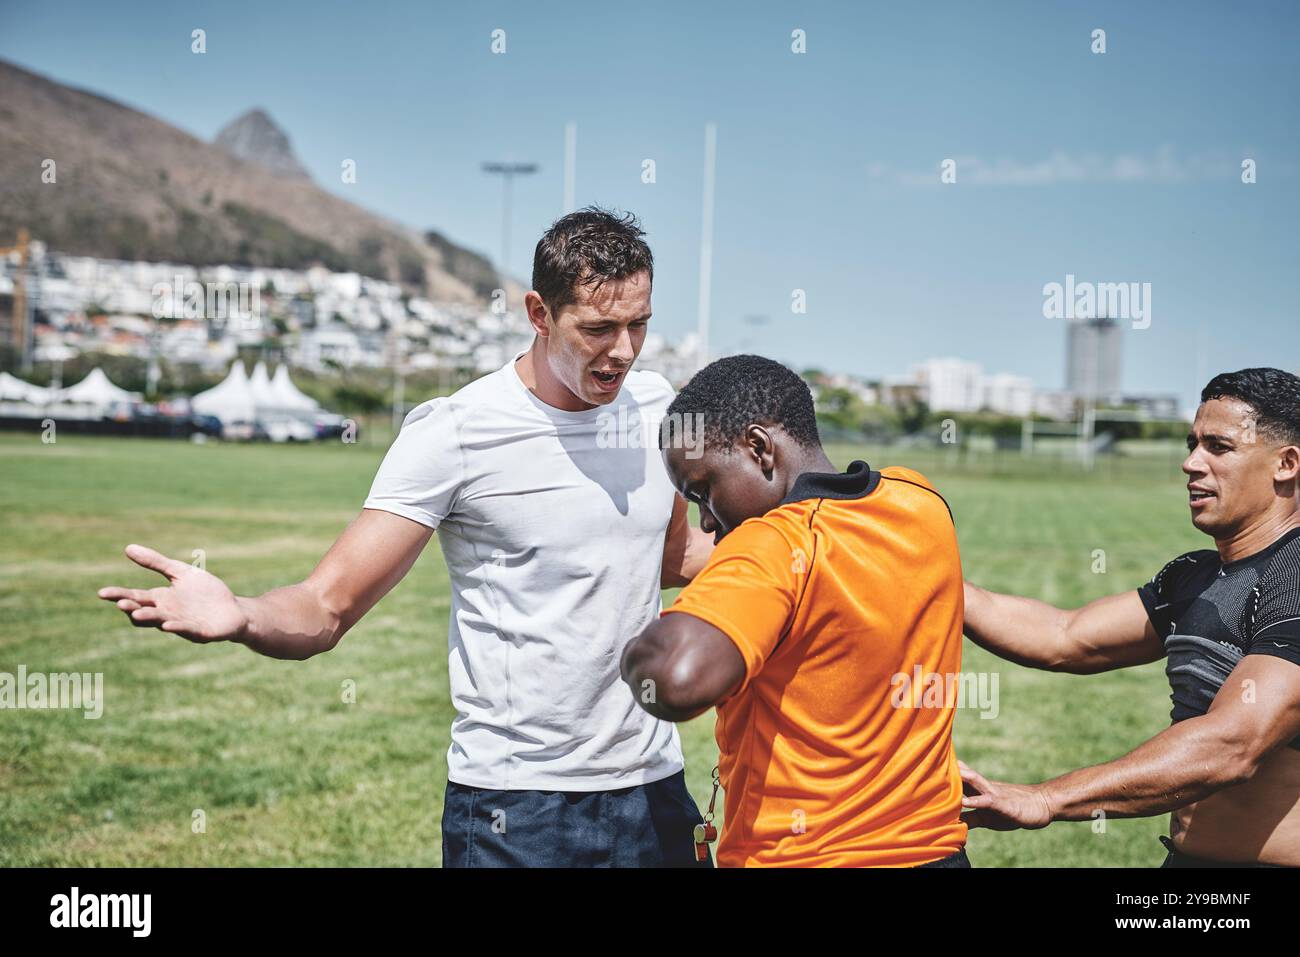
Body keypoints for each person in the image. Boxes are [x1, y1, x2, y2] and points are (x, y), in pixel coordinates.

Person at [97, 207, 715, 867]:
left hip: (652, 790)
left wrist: (799, 550)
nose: (622, 349)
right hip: (519, 808)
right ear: (539, 312)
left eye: (638, 324)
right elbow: (326, 604)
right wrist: (242, 613)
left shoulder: (656, 405)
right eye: (598, 328)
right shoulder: (455, 432)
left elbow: (672, 554)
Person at [620, 354, 969, 867]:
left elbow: (675, 678)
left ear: (759, 449)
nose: (708, 522)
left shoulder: (774, 541)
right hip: (937, 851)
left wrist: (627, 643)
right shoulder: (919, 500)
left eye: (704, 490)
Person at [961, 368, 1300, 867]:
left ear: (1286, 463)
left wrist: (1046, 797)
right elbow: (1064, 636)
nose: (1191, 463)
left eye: (1218, 447)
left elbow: (1233, 744)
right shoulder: (1195, 576)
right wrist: (922, 577)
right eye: (1192, 443)